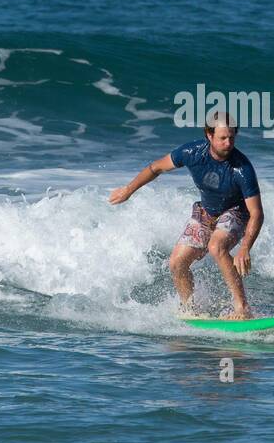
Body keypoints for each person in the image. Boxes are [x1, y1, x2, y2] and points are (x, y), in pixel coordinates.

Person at [109, 112, 263, 318]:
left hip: (235, 212)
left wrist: (245, 248)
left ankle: (242, 308)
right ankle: (191, 309)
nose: (228, 143)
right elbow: (156, 168)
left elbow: (256, 213)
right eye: (223, 138)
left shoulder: (242, 169)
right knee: (177, 262)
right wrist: (128, 190)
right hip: (205, 212)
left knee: (216, 247)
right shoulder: (191, 152)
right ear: (209, 135)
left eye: (232, 137)